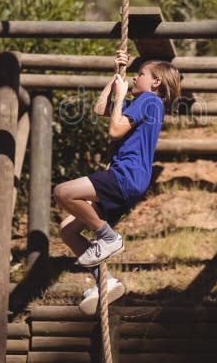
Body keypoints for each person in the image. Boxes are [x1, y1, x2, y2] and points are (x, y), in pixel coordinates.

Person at [53, 50, 181, 314]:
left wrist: (121, 94)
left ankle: (108, 238)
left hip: (126, 175)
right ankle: (105, 282)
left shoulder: (149, 100)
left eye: (141, 74)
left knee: (63, 192)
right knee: (68, 230)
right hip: (129, 180)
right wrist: (114, 80)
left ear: (155, 82)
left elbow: (114, 131)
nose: (136, 77)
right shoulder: (142, 103)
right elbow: (101, 109)